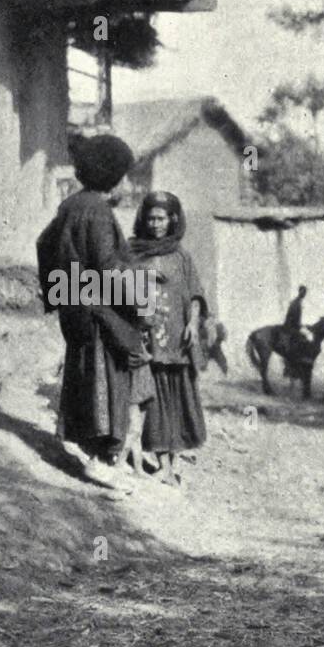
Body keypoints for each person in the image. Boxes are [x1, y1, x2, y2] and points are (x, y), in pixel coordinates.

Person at [36, 134, 147, 489]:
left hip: (79, 307)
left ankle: (95, 455)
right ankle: (100, 460)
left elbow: (44, 245)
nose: (127, 182)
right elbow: (107, 266)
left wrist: (62, 296)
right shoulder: (98, 211)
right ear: (111, 174)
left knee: (86, 380)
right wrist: (139, 298)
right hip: (100, 311)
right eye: (124, 174)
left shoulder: (71, 205)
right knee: (107, 383)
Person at [130, 191, 207, 486]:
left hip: (178, 342)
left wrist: (192, 321)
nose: (155, 224)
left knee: (178, 400)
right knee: (155, 400)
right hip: (149, 339)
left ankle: (172, 464)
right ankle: (163, 464)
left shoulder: (181, 255)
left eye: (161, 218)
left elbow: (196, 294)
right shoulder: (134, 252)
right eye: (150, 218)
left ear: (172, 219)